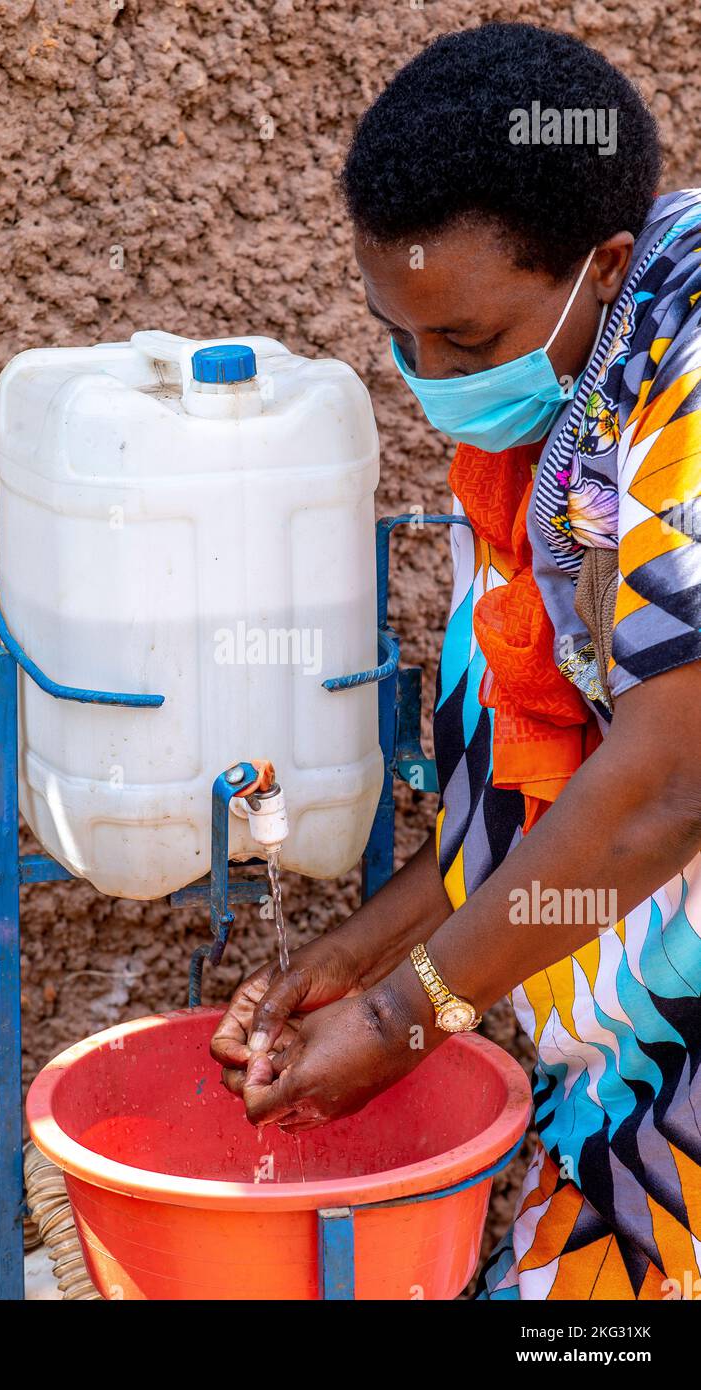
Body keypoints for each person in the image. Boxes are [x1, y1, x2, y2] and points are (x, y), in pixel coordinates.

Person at [211, 22, 701, 1301]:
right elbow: (551, 766)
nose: (429, 381)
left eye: (468, 346)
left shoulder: (687, 382)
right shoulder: (558, 413)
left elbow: (663, 784)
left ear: (601, 264)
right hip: (616, 1060)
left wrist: (403, 1016)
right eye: (397, 334)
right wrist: (368, 954)